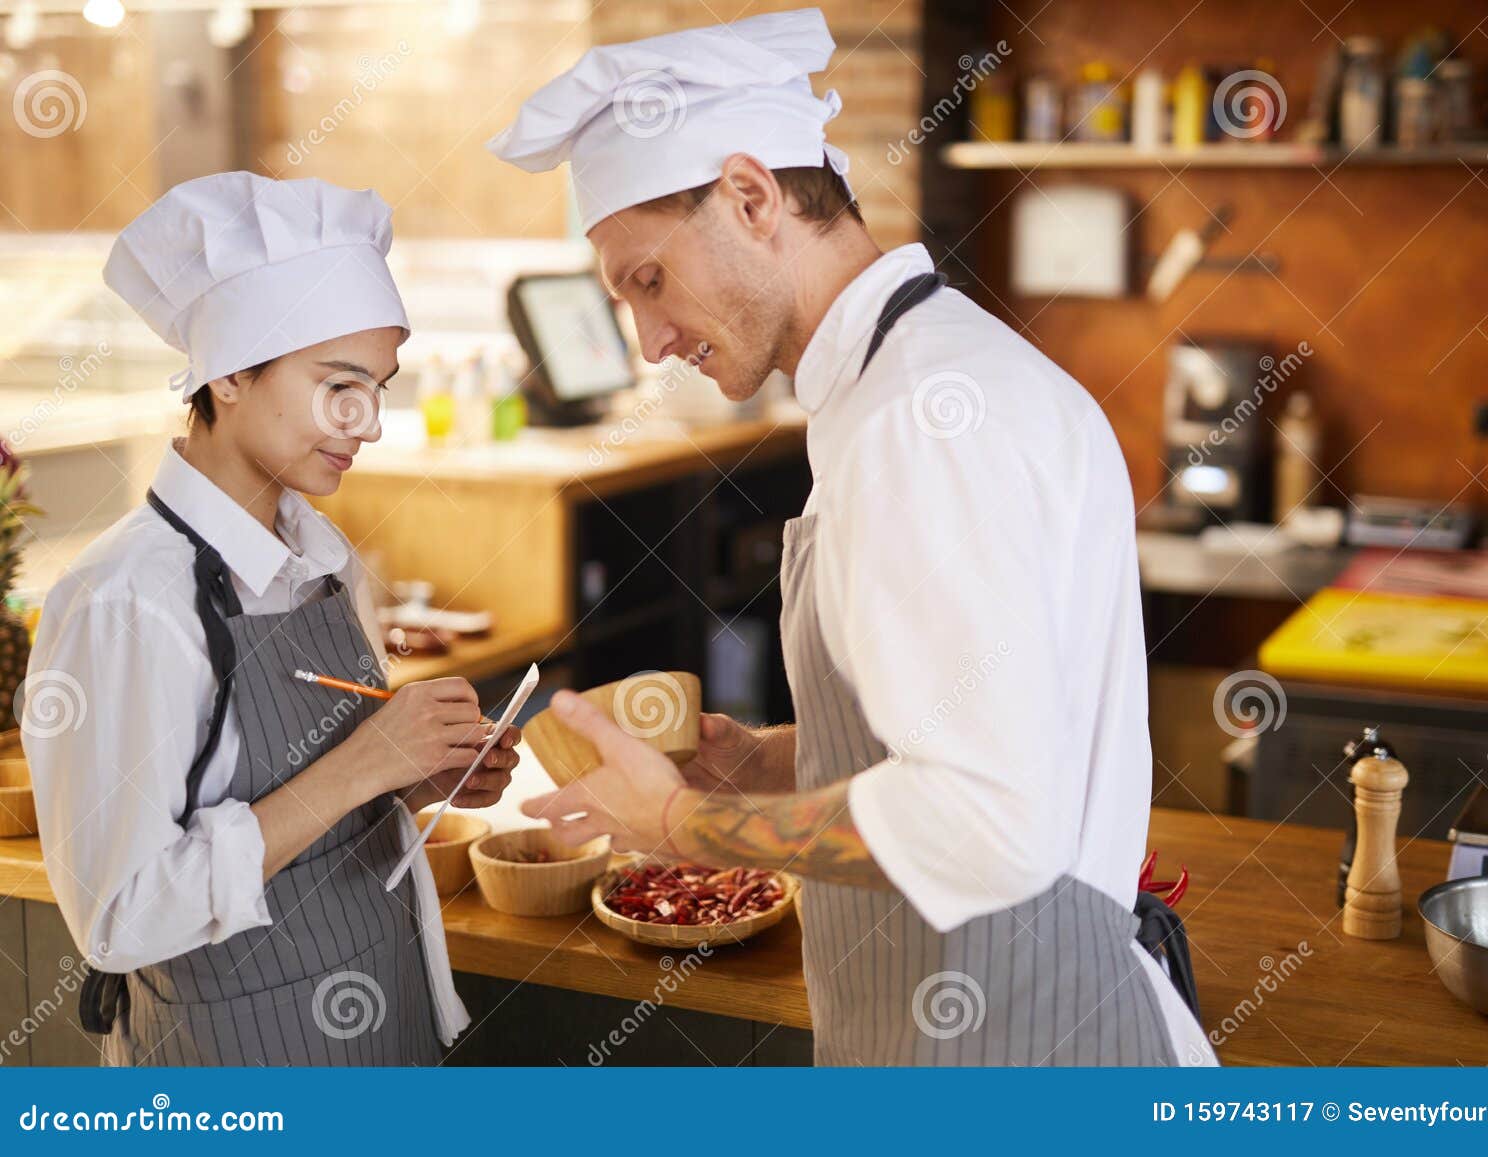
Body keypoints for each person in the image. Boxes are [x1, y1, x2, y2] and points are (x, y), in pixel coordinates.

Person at [488, 9, 1215, 1066]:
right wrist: (779, 761)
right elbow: (985, 727)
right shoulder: (915, 379)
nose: (648, 342)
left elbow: (987, 816)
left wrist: (683, 821)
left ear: (750, 197)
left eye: (648, 280)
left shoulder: (918, 421)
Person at [23, 171, 519, 1066]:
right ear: (229, 377)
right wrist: (363, 762)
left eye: (378, 386)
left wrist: (411, 782)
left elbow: (299, 812)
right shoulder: (125, 603)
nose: (365, 423)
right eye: (339, 384)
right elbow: (120, 916)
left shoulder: (324, 558)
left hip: (386, 1027)